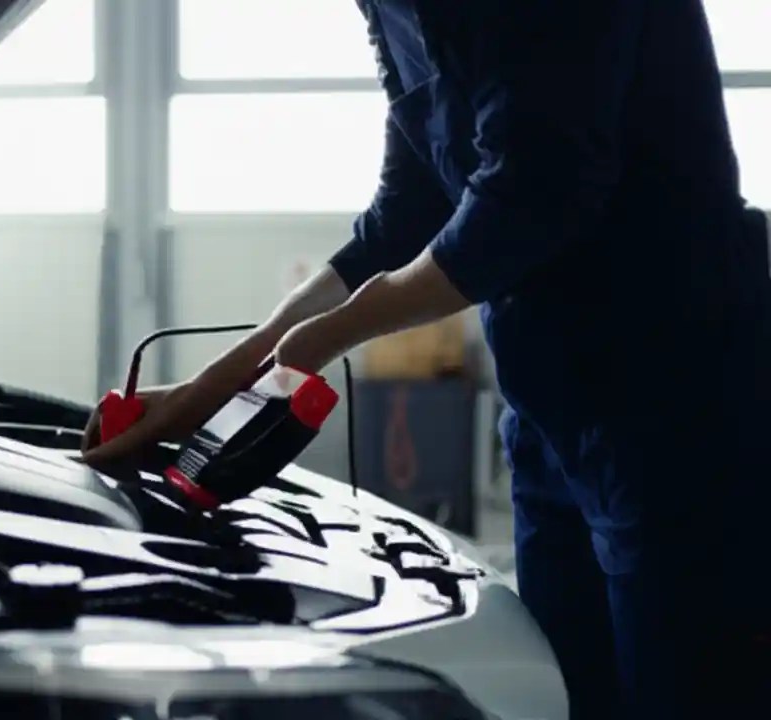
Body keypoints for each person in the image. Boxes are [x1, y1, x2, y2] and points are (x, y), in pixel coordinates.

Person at [82, 1, 771, 718]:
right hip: (549, 410)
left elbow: (537, 190)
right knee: (562, 695)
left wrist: (323, 341)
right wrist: (214, 385)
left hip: (681, 401)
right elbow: (405, 212)